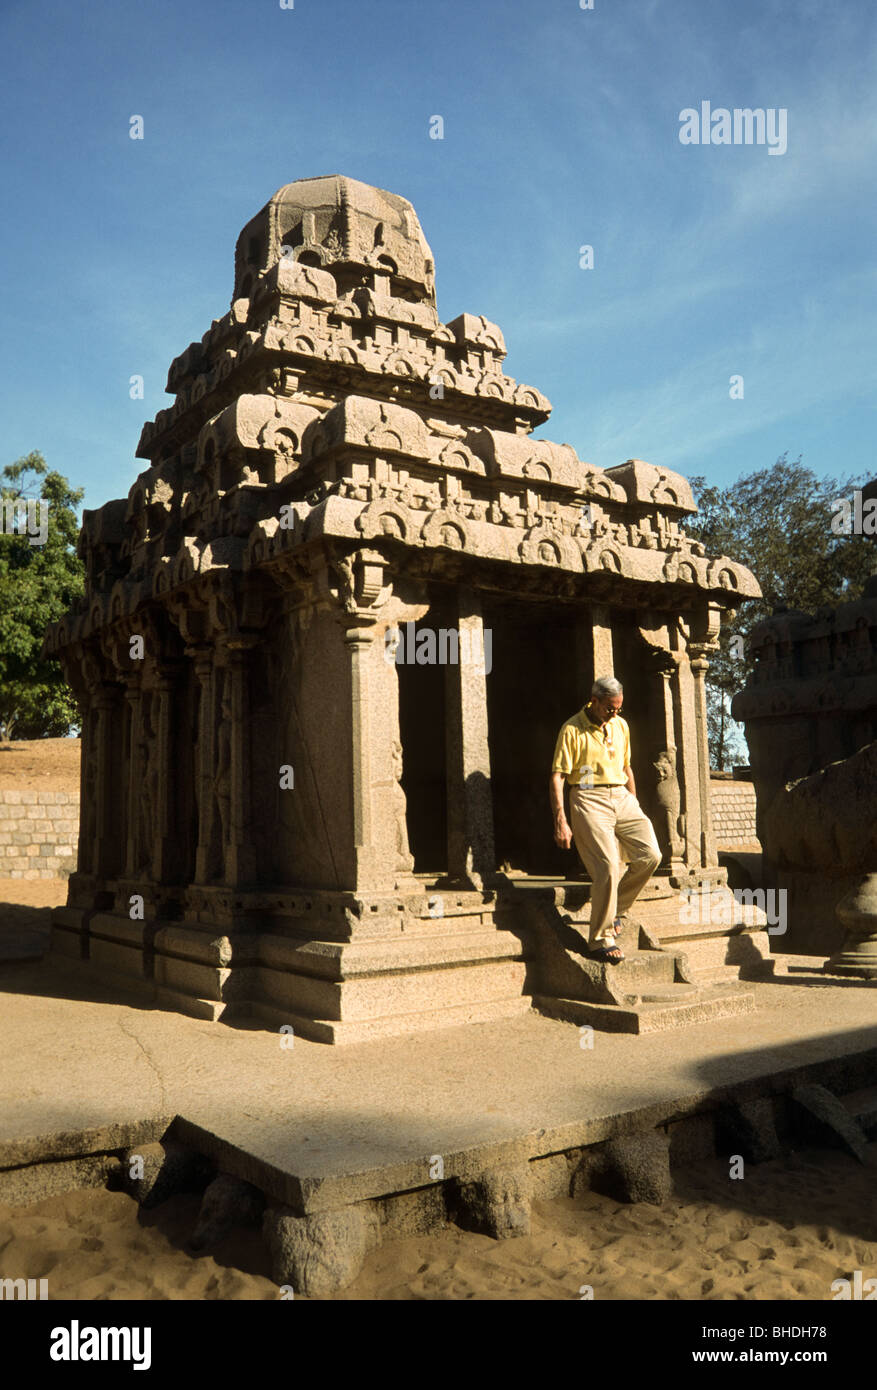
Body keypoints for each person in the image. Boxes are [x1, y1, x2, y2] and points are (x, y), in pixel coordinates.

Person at [549, 675, 661, 963]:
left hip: (621, 795)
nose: (614, 713)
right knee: (609, 866)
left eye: (619, 708)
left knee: (651, 855)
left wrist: (633, 801)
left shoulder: (620, 726)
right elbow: (558, 776)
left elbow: (627, 767)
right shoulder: (572, 729)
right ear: (594, 701)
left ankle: (618, 908)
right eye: (610, 708)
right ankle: (600, 938)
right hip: (588, 796)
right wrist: (561, 820)